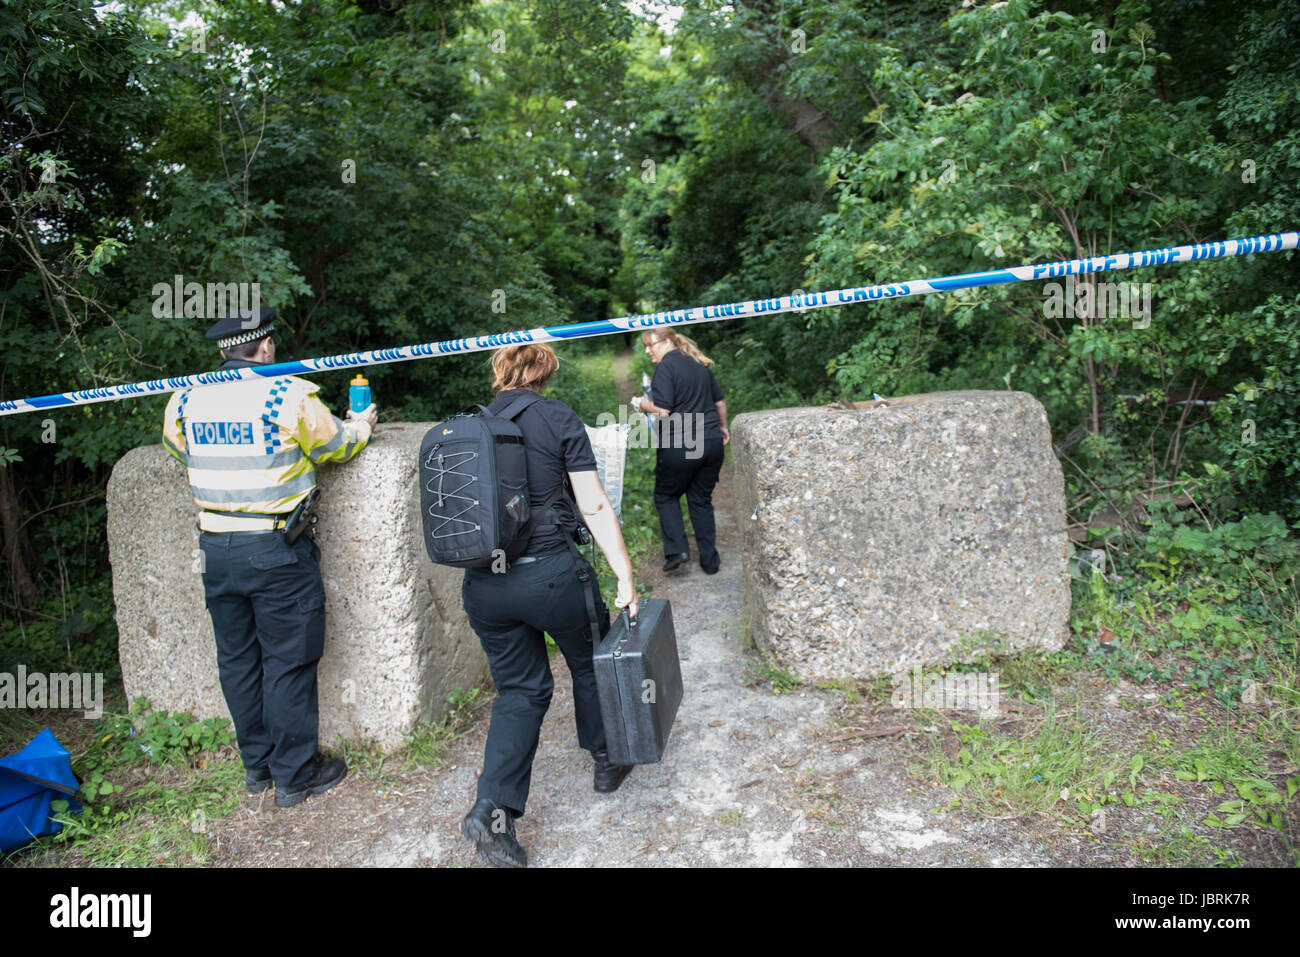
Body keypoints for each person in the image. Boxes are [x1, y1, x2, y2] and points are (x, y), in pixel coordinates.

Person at [161, 306, 378, 808]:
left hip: (215, 549)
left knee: (237, 660)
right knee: (288, 659)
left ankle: (257, 769)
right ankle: (296, 775)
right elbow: (336, 447)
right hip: (275, 549)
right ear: (265, 347)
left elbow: (177, 449)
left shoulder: (185, 398)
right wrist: (362, 425)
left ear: (224, 351)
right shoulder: (287, 394)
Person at [458, 342, 639, 868]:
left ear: (501, 371)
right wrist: (625, 574)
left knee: (520, 690)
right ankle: (606, 760)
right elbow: (594, 504)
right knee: (589, 662)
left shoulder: (472, 423)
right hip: (550, 576)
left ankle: (492, 811)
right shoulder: (557, 417)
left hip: (485, 586)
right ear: (543, 370)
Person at [630, 329, 729, 575]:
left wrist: (641, 404)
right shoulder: (699, 363)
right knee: (700, 500)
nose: (647, 350)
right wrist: (723, 427)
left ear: (667, 341)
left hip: (681, 443)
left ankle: (677, 551)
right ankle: (710, 562)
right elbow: (719, 402)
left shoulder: (665, 367)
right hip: (712, 442)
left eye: (650, 344)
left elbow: (663, 411)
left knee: (666, 495)